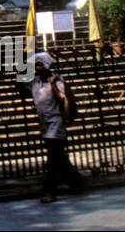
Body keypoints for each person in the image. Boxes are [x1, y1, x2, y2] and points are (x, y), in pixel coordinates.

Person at [27, 51, 83, 203]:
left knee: (53, 159)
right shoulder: (34, 82)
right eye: (35, 66)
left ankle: (49, 191)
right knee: (59, 157)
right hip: (44, 124)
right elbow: (19, 85)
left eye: (39, 65)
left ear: (46, 66)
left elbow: (62, 99)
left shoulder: (57, 81)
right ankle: (77, 183)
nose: (37, 68)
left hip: (56, 123)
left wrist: (52, 83)